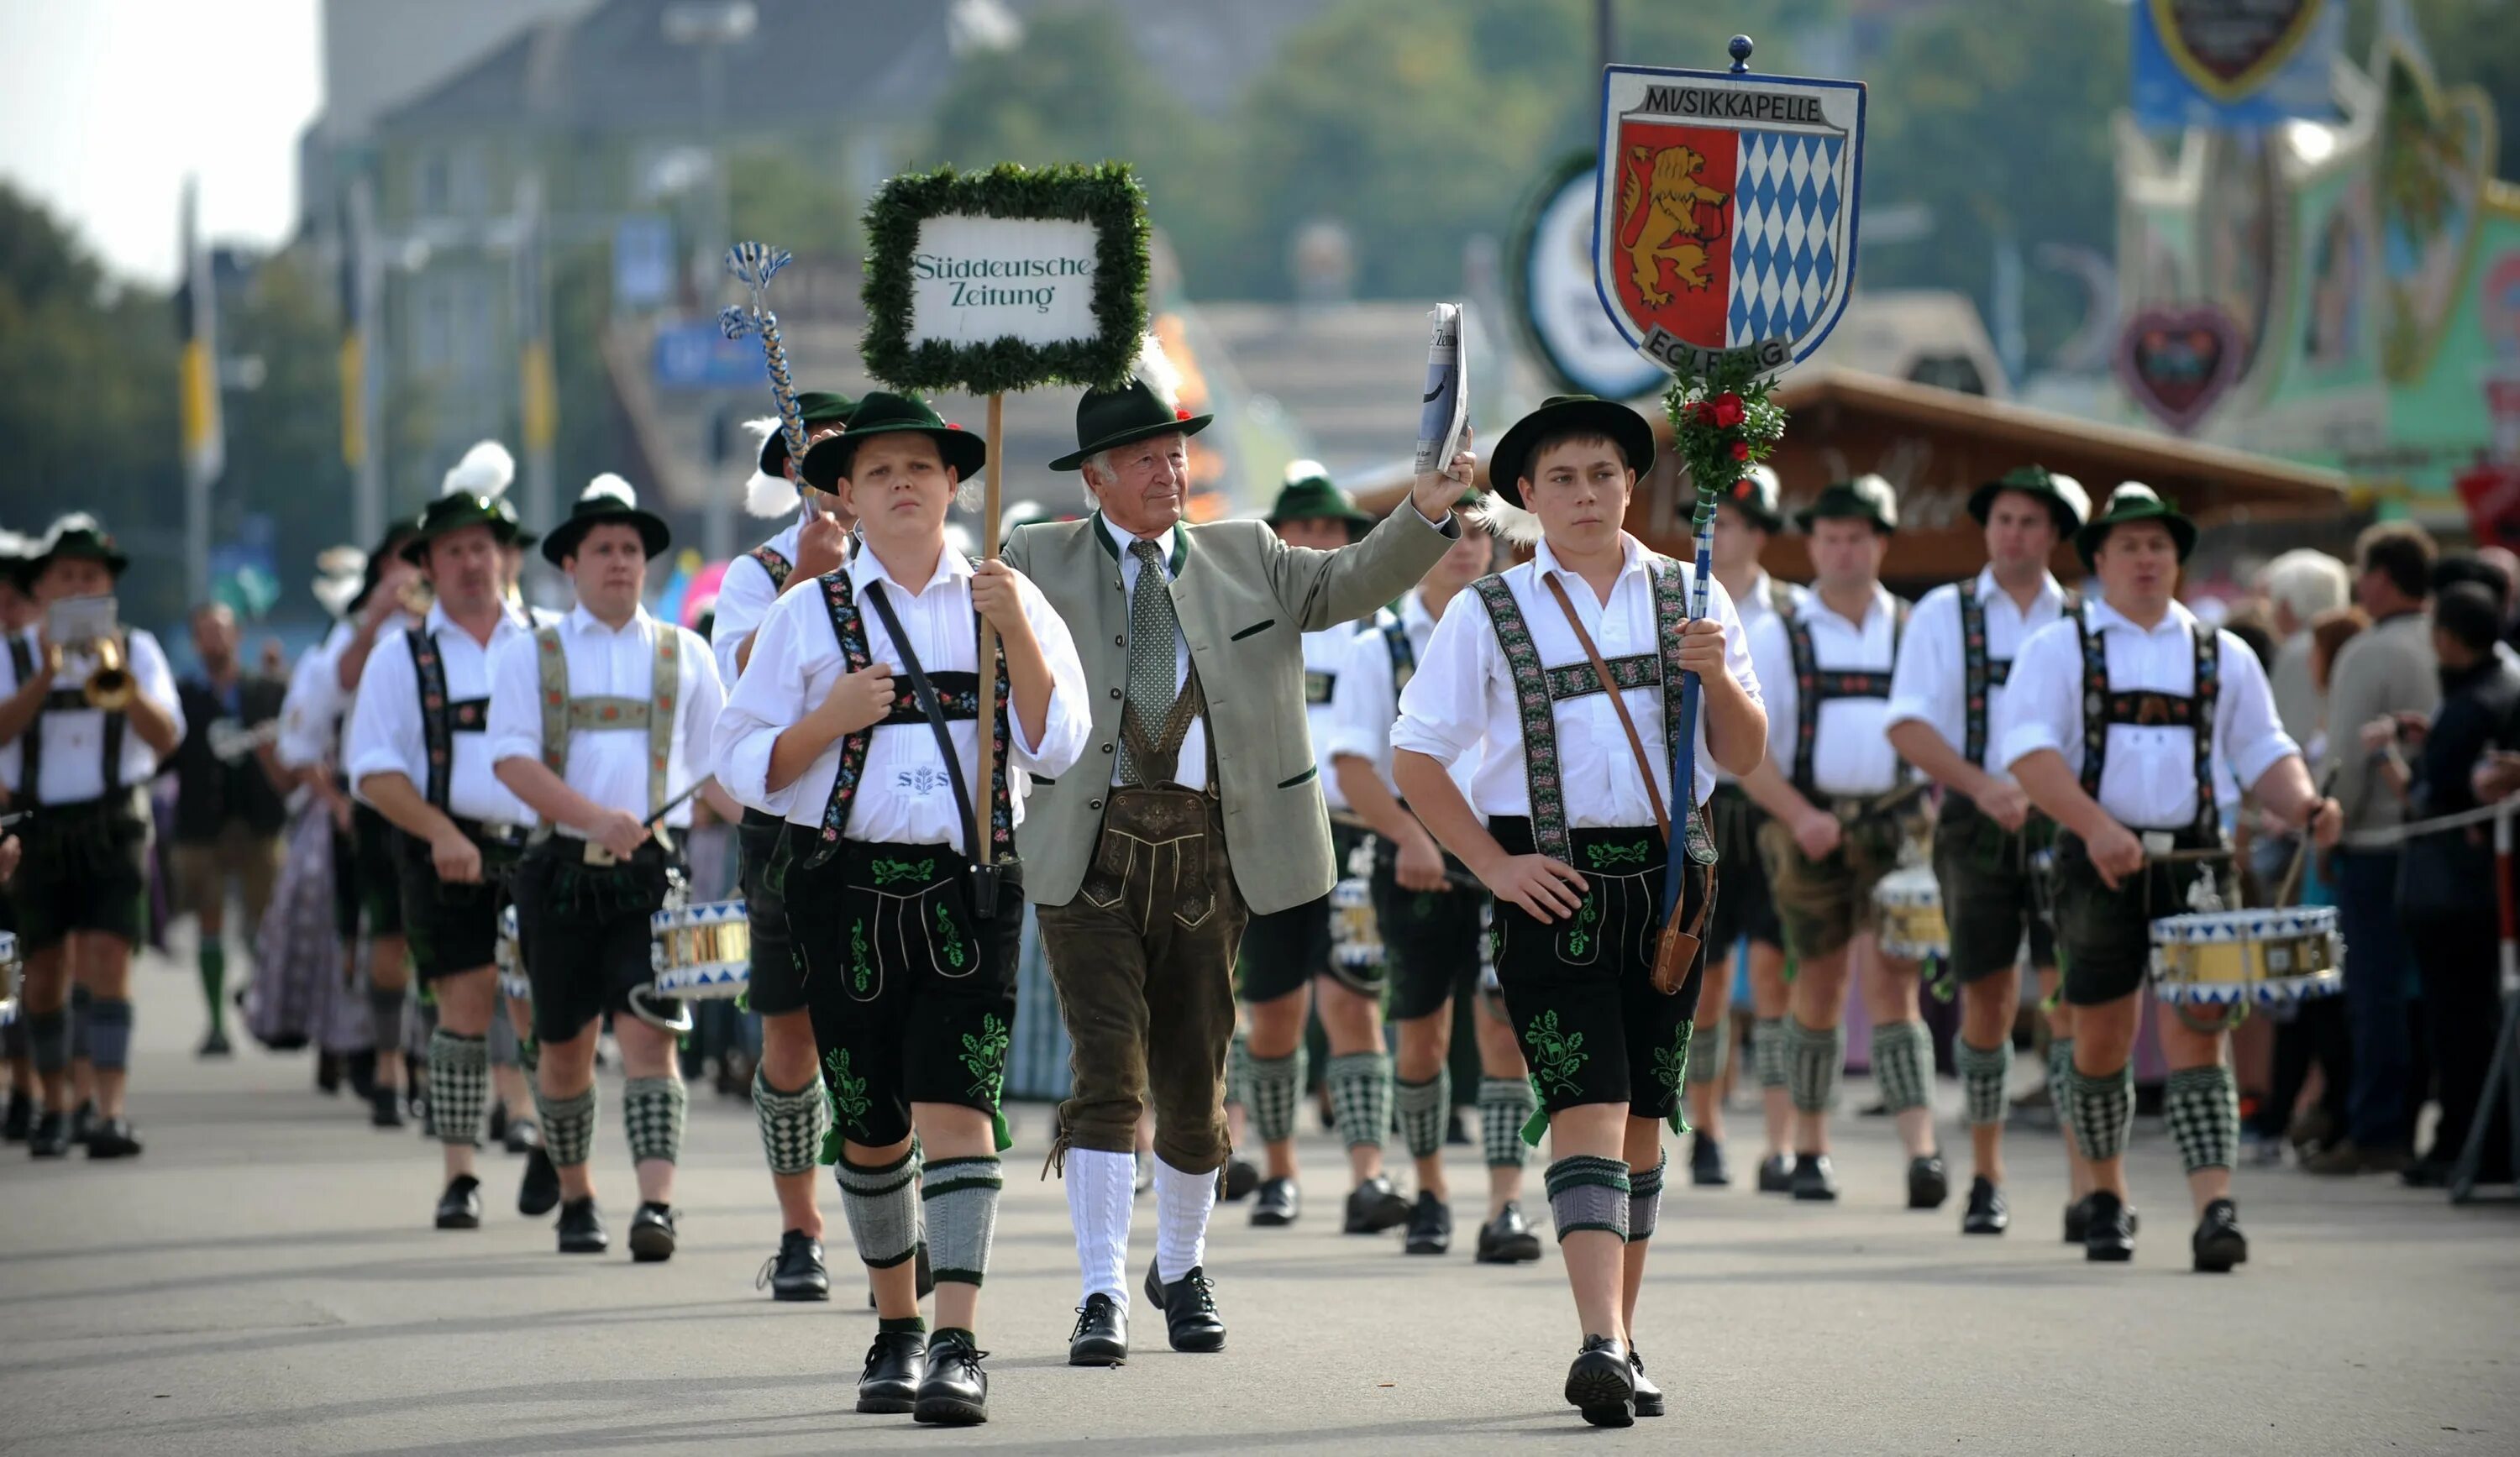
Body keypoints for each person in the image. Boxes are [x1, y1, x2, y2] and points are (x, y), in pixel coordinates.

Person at [1003, 338, 1462, 1368]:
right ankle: (1098, 1292)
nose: (1170, 471)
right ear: (1095, 478)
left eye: (1175, 453)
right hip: (1088, 848)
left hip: (1215, 848)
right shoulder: (1033, 559)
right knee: (1107, 1074)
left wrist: (1426, 511)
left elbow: (1352, 580)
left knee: (1197, 1078)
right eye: (1146, 457)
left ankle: (1184, 1263)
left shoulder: (1247, 551)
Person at [716, 391, 1089, 1424]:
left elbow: (1059, 747)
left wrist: (1022, 643)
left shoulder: (1003, 597)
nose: (904, 485)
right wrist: (828, 720)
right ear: (849, 494)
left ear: (956, 483)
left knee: (961, 1111)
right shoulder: (807, 613)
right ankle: (897, 1327)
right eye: (880, 472)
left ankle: (961, 1340)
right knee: (873, 1126)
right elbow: (742, 762)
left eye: (922, 468)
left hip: (971, 886)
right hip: (844, 889)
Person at [1393, 395, 1764, 1427]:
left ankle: (1624, 1337)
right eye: (1562, 478)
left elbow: (1743, 755)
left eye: (1604, 473)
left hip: (1672, 884)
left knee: (1646, 1118)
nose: (1587, 494)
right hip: (1550, 884)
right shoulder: (1488, 610)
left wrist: (1714, 681)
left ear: (1632, 485)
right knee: (1586, 1104)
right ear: (1526, 495)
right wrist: (1492, 867)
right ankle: (1598, 1337)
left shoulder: (1692, 594)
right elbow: (1415, 754)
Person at [1999, 483, 2339, 1270]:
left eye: (2160, 545)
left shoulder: (2223, 652)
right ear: (2099, 561)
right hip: (2096, 859)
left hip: (2195, 861)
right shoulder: (2062, 645)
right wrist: (2097, 827)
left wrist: (2306, 806)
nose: (2147, 559)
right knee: (2103, 1036)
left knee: (2202, 1028)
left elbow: (2264, 750)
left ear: (2178, 558)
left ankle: (2213, 1205)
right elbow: (2029, 753)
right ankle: (2108, 1195)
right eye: (2130, 546)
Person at [489, 475, 729, 1262]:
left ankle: (656, 1205)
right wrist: (594, 818)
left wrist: (775, 813)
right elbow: (511, 761)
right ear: (571, 563)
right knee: (562, 1047)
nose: (621, 561)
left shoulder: (685, 652)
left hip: (651, 879)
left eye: (631, 548)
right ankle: (577, 1195)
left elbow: (720, 769)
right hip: (557, 870)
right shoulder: (534, 652)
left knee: (650, 1040)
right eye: (604, 549)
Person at [1327, 488, 1541, 1260]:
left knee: (1504, 1028)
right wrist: (1409, 835)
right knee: (1419, 1034)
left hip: (1506, 852)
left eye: (1475, 532)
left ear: (1494, 543)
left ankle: (1506, 1203)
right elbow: (1352, 765)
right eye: (1445, 531)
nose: (1461, 544)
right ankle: (1429, 1192)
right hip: (1413, 857)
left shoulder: (1522, 627)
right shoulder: (1376, 642)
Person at [1885, 466, 2088, 1237]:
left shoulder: (2081, 619)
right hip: (1975, 820)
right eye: (2003, 519)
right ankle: (1988, 1174)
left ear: (2056, 536)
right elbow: (1907, 725)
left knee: (2072, 998)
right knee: (1989, 998)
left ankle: (2086, 1181)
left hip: (2063, 822)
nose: (2014, 534)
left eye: (2031, 522)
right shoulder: (1946, 611)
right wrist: (1983, 784)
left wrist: (2055, 797)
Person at [344, 459, 539, 1228]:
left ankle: (551, 1144)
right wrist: (441, 832)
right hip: (446, 850)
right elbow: (372, 769)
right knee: (463, 1009)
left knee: (548, 1008)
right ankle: (460, 1172)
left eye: (482, 547)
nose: (470, 562)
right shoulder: (403, 653)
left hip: (538, 849)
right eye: (453, 550)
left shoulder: (544, 641)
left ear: (506, 556)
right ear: (427, 565)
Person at [1740, 476, 1938, 1205]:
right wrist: (1799, 816)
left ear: (1881, 543)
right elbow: (1745, 753)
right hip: (1809, 822)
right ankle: (1811, 1147)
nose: (1843, 550)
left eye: (1857, 536)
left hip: (1900, 823)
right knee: (1816, 984)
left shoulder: (1916, 627)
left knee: (1897, 979)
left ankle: (1920, 1148)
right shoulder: (1781, 632)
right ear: (1812, 544)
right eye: (1829, 537)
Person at [708, 390, 860, 1302]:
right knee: (791, 1032)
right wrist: (808, 577)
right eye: (825, 460)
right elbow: (741, 681)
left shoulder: (910, 563)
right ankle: (801, 1226)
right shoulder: (756, 573)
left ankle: (899, 1210)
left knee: (891, 1026)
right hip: (786, 825)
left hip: (884, 813)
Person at [1233, 463, 1412, 1234]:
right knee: (1271, 1014)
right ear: (1278, 536)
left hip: (1354, 834)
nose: (1317, 541)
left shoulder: (1378, 629)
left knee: (1353, 1002)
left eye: (1333, 530)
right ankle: (1279, 1170)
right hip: (1272, 832)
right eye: (1302, 529)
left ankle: (1367, 1173)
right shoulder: (1251, 617)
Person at [0, 515, 186, 1158]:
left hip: (115, 819)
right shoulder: (13, 652)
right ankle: (56, 1101)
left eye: (91, 577)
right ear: (43, 587)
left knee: (109, 954)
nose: (79, 587)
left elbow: (165, 738)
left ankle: (109, 1108)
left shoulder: (138, 650)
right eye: (67, 576)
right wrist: (46, 675)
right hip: (37, 823)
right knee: (44, 968)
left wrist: (118, 683)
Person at [2378, 582, 2517, 1187]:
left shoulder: (2469, 705)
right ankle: (2482, 1142)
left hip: (2452, 897)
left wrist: (2390, 761)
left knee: (2457, 1027)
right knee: (2478, 1020)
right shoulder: (2504, 686)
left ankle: (2465, 1144)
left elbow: (2429, 799)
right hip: (2483, 891)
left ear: (2448, 638)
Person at [2311, 521, 2438, 1176]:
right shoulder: (2445, 642)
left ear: (2381, 578)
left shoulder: (2367, 653)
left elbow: (2346, 765)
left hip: (2374, 845)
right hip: (2440, 843)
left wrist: (2329, 834)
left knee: (2375, 995)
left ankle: (2376, 1128)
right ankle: (2423, 1122)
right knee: (2426, 996)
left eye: (2363, 571)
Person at [1698, 464, 1799, 1190]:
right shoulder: (1687, 601)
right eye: (1710, 520)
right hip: (1712, 801)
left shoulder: (1793, 613)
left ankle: (1782, 1139)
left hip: (1778, 804)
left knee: (1774, 974)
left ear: (1759, 531)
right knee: (1704, 976)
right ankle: (1703, 1124)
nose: (1717, 533)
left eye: (1731, 521)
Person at [167, 602, 290, 1057]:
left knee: (269, 922)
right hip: (202, 825)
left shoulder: (264, 690)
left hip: (259, 822)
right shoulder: (181, 696)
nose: (214, 639)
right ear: (195, 641)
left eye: (221, 630)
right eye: (204, 631)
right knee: (210, 920)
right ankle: (216, 1025)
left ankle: (264, 1007)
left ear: (238, 635)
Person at [0, 530, 43, 1141]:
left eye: (16, 600)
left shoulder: (53, 657)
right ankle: (19, 1083)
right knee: (7, 965)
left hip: (44, 824)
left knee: (40, 964)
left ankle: (40, 1086)